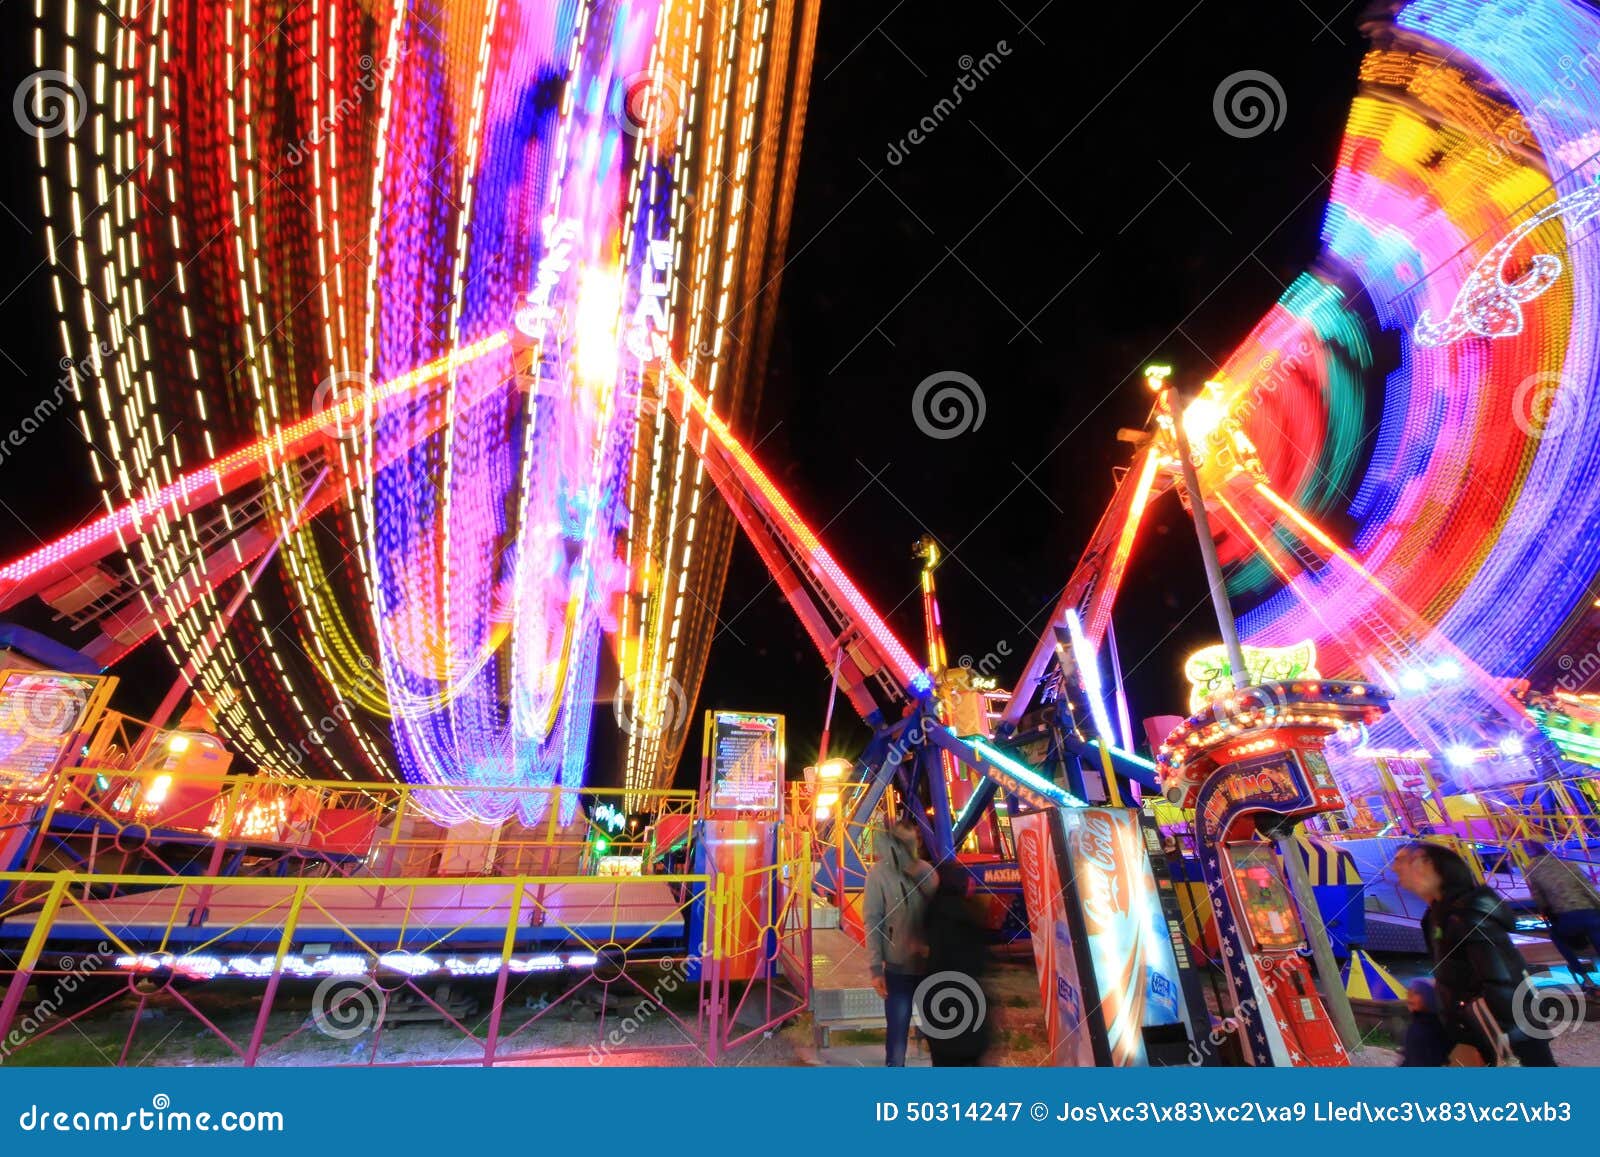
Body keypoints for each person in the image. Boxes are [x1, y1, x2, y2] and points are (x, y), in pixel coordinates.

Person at [1393, 842, 1556, 1066]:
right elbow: (1463, 969)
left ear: (1425, 863)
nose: (1395, 868)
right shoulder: (1437, 915)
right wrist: (1434, 990)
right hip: (1467, 1017)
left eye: (1401, 860)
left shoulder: (1465, 914)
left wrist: (1495, 1041)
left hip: (1500, 1024)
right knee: (1422, 1035)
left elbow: (1499, 981)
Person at [863, 817, 937, 1066]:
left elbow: (942, 919)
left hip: (930, 967)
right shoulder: (879, 875)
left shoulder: (928, 872)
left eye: (912, 840)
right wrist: (875, 968)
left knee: (940, 1034)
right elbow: (873, 922)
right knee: (897, 1037)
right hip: (898, 969)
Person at [919, 862, 993, 1066]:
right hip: (970, 1002)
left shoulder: (930, 913)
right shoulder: (972, 914)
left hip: (939, 1002)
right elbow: (982, 962)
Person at [1522, 839, 1600, 990]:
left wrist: (1545, 911)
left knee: (1555, 935)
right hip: (1590, 912)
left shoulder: (1533, 870)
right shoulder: (1569, 865)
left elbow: (1540, 899)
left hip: (1569, 918)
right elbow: (1589, 889)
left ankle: (1585, 977)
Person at [1397, 977, 1451, 1066]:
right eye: (1409, 992)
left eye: (1416, 993)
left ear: (1427, 998)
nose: (1409, 997)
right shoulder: (1426, 1023)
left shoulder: (1423, 1029)